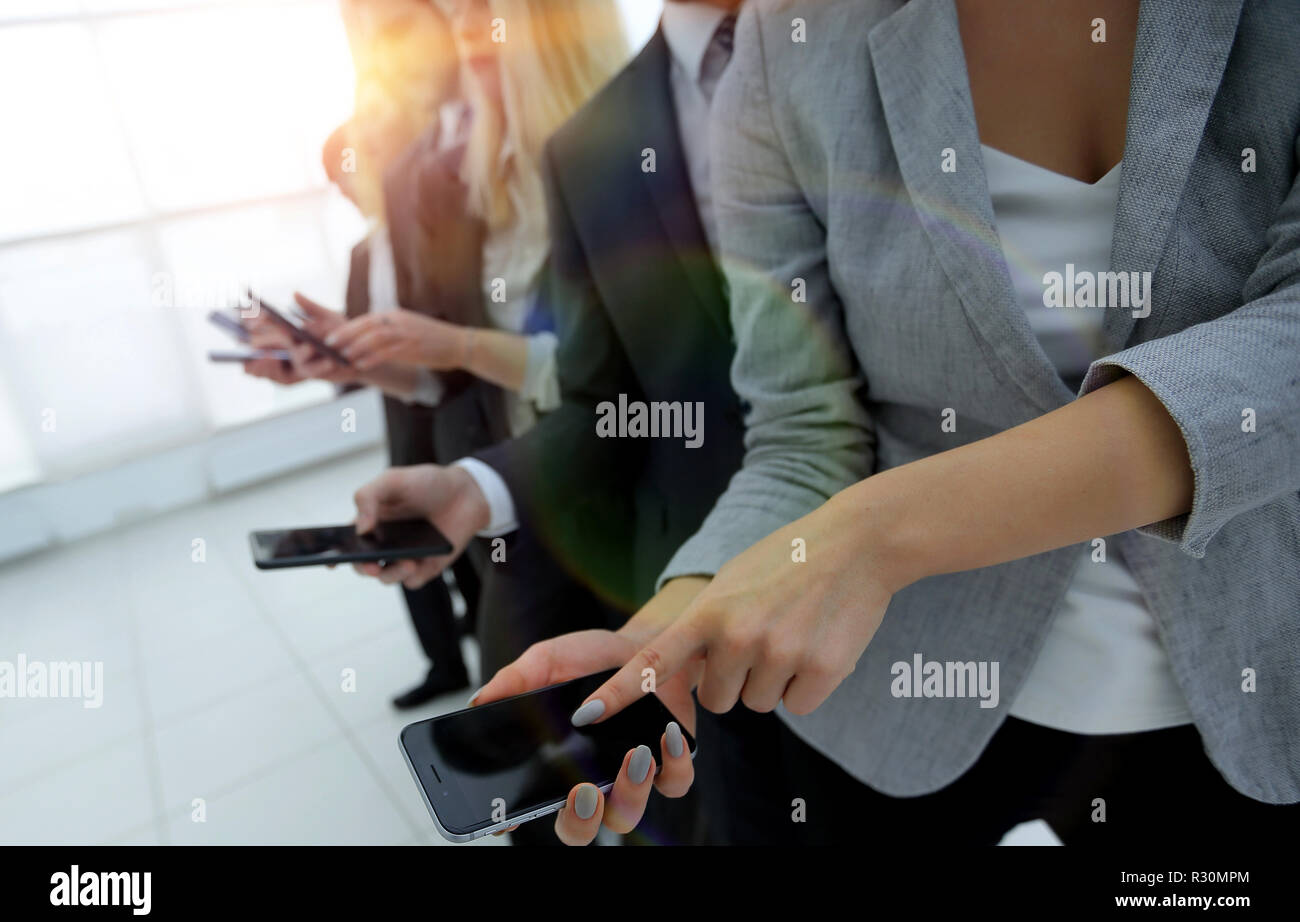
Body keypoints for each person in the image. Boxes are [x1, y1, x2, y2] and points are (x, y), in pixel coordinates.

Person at [479, 0, 1300, 845]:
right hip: (903, 721)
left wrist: (879, 533)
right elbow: (804, 430)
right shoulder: (786, 40)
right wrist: (679, 617)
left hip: (1258, 693)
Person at [348, 0, 752, 845]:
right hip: (638, 542)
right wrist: (472, 488)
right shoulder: (570, 152)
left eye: (481, 15)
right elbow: (599, 391)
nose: (463, 37)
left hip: (756, 557)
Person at [243, 0, 477, 707]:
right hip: (409, 426)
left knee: (467, 554)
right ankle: (447, 661)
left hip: (465, 420)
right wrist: (313, 360)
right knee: (409, 551)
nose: (348, 187)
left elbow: (446, 343)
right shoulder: (363, 252)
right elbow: (368, 352)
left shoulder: (437, 219)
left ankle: (470, 641)